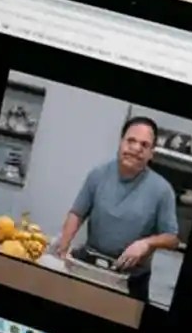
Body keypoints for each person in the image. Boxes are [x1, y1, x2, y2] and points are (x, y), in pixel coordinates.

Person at [54, 116, 180, 303]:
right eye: (131, 141)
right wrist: (63, 246)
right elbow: (77, 213)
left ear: (151, 153)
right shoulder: (98, 174)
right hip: (90, 266)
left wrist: (146, 244)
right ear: (121, 143)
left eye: (144, 145)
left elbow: (173, 239)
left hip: (133, 279)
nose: (136, 148)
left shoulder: (163, 190)